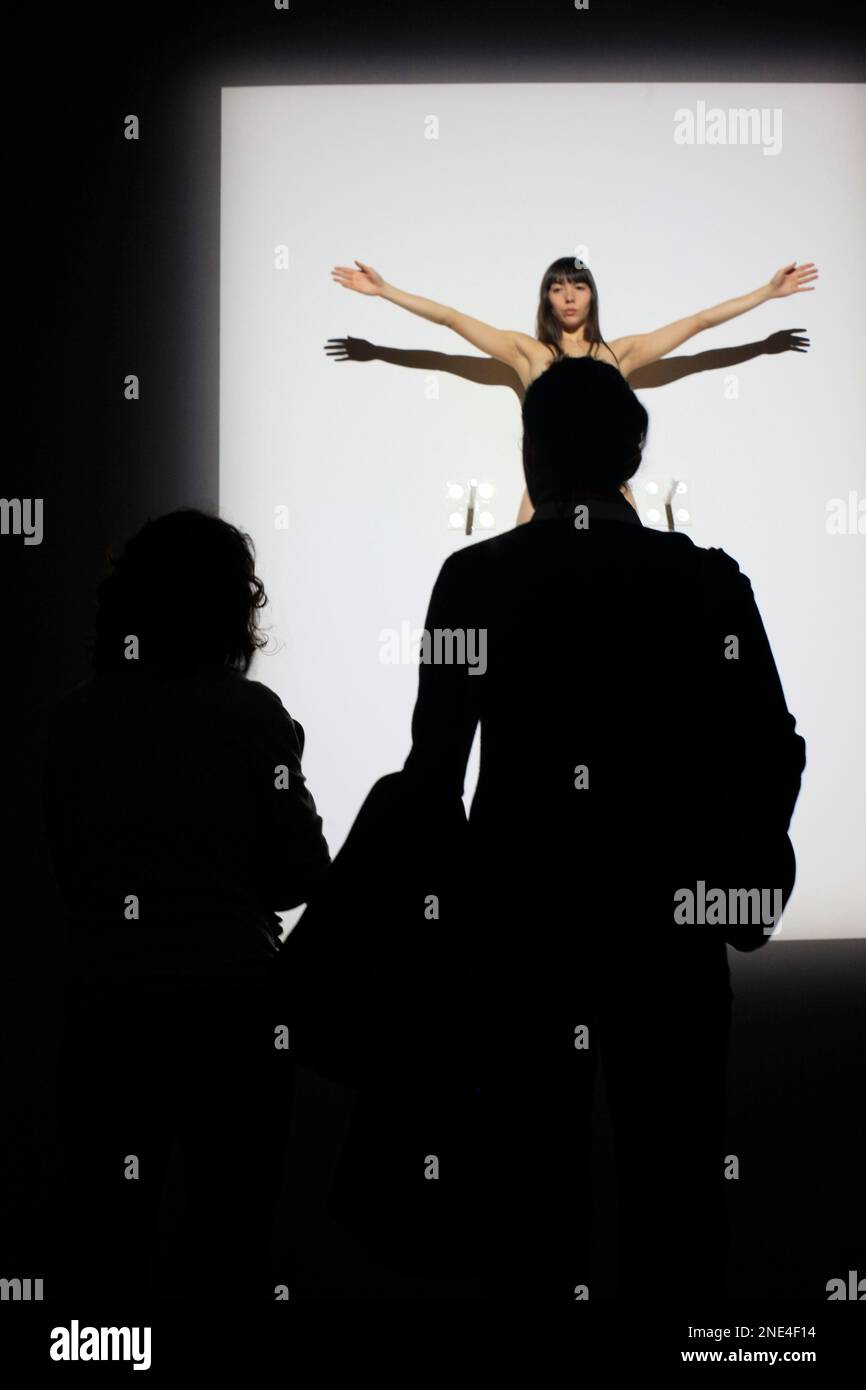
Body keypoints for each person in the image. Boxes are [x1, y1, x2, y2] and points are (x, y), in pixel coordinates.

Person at [397, 354, 807, 1300]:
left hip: (519, 938)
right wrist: (737, 879)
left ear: (532, 456)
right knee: (679, 1205)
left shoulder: (473, 579)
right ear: (633, 453)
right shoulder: (705, 581)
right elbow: (772, 747)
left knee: (528, 1211)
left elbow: (432, 776)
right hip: (669, 932)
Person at [38, 508, 331, 1301]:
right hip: (232, 1010)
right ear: (233, 608)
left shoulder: (71, 722)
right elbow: (301, 873)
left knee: (106, 1245)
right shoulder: (249, 717)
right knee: (229, 1245)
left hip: (106, 1009)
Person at [330, 253, 818, 522]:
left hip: (611, 488)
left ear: (591, 296)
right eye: (558, 287)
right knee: (524, 590)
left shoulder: (617, 354)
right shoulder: (528, 353)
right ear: (547, 296)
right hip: (546, 488)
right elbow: (451, 321)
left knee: (627, 586)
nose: (568, 296)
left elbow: (699, 324)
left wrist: (768, 294)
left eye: (578, 286)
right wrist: (385, 291)